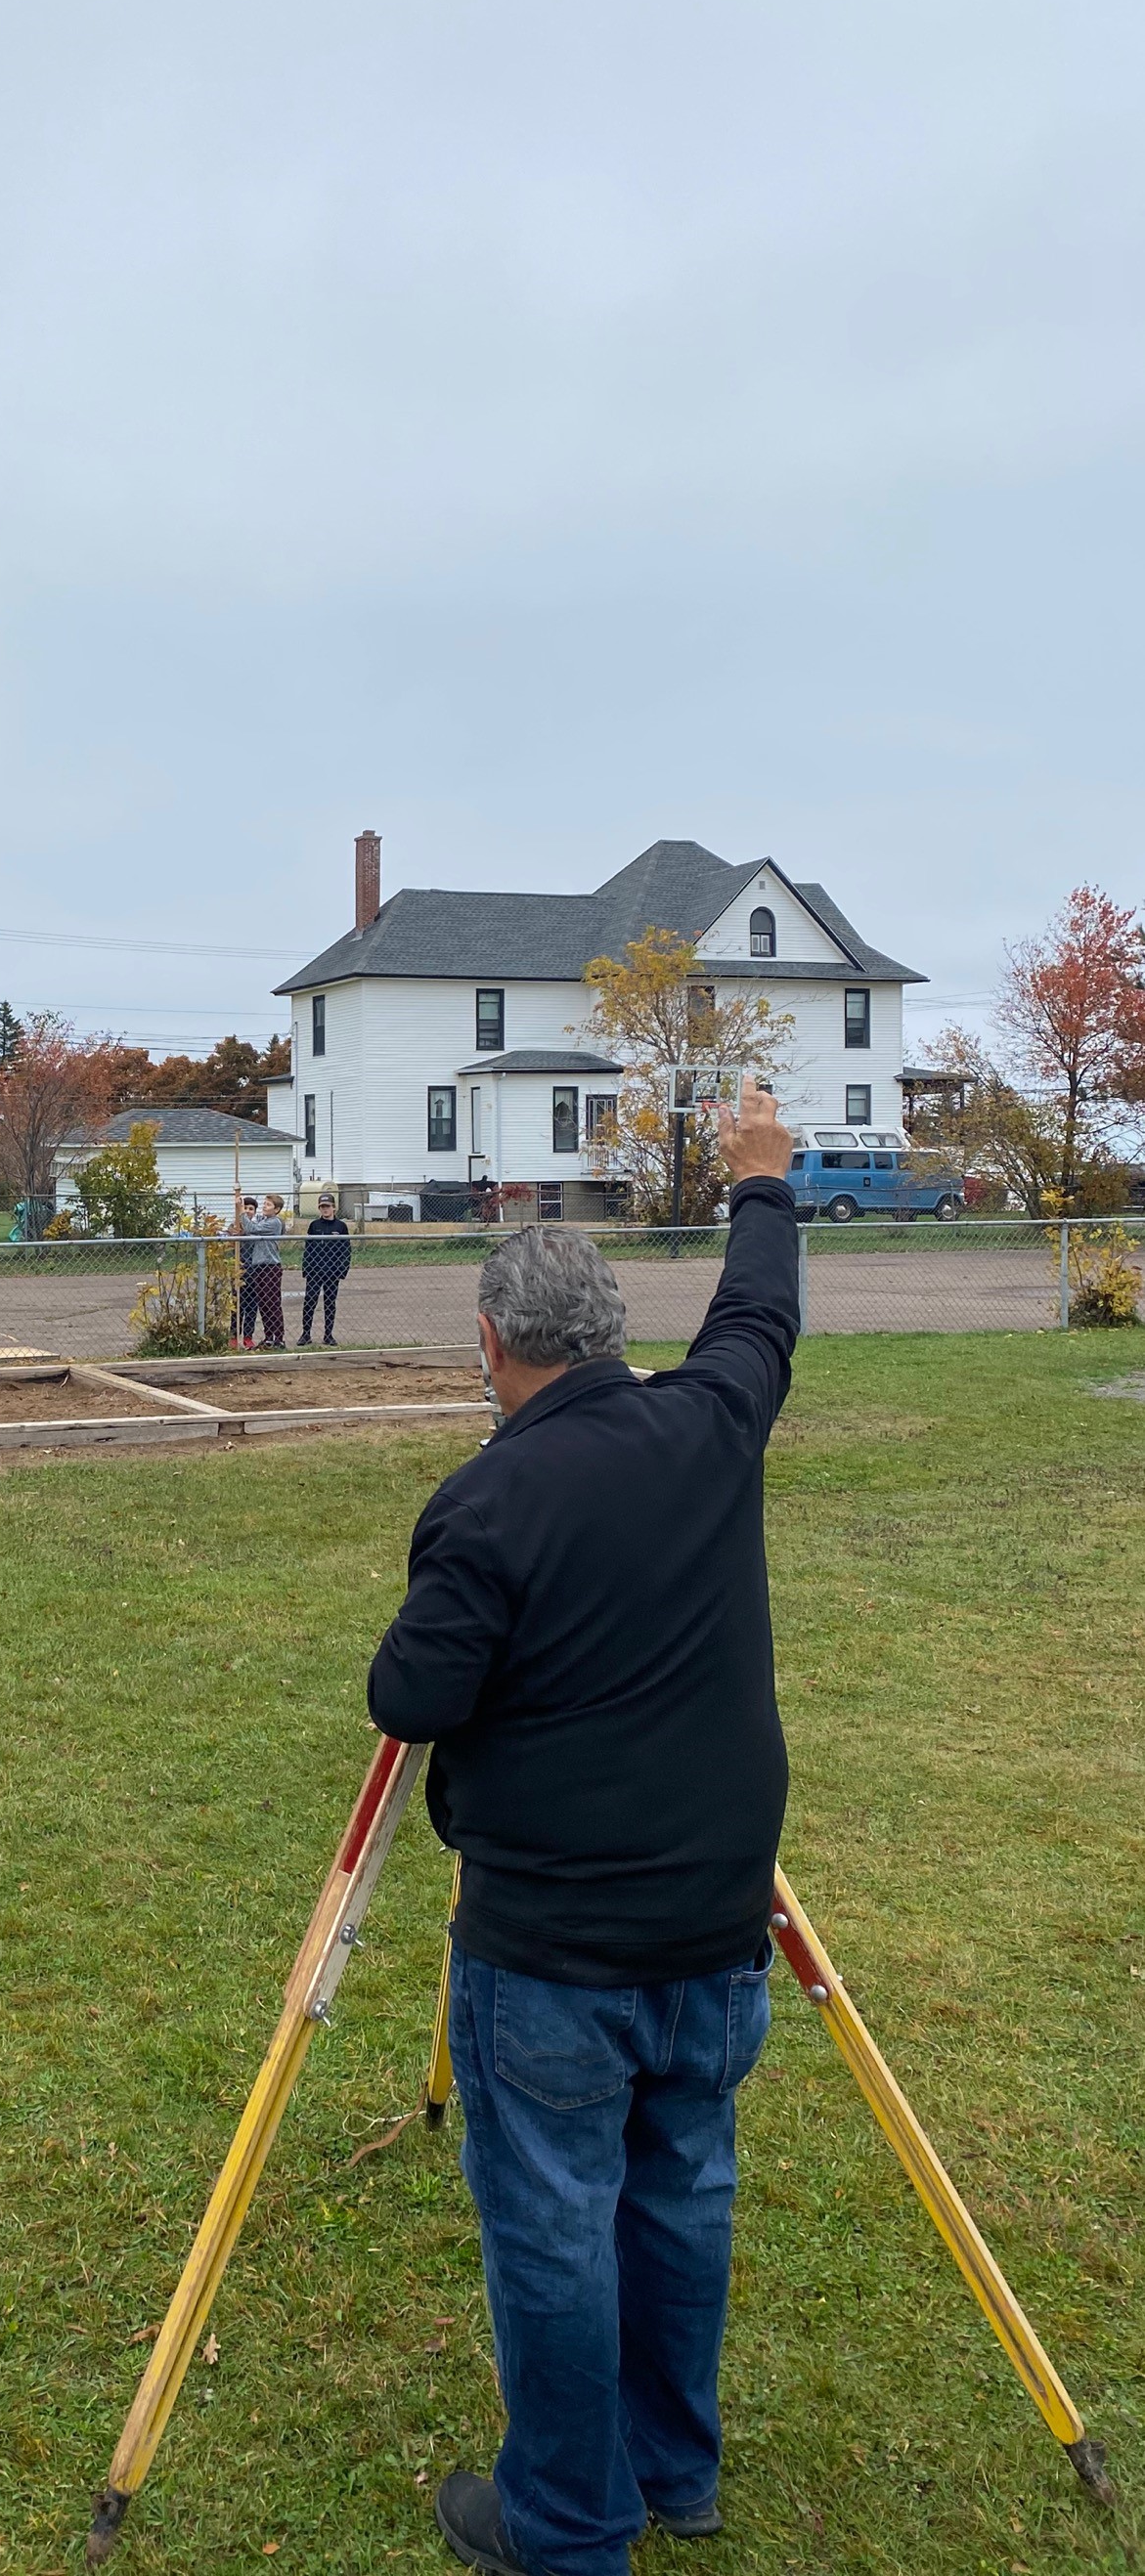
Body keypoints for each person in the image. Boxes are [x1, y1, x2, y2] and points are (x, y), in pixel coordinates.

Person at [367, 1089, 799, 2576]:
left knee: (554, 2226)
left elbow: (411, 1695)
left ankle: (566, 2520)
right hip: (714, 1933)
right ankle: (673, 2467)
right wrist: (761, 1182)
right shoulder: (708, 1425)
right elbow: (757, 1319)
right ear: (611, 1334)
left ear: (491, 1346)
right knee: (682, 2191)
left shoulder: (487, 1500)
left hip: (554, 1956)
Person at [299, 1191, 351, 1345]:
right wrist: (306, 1268)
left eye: (327, 1206)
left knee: (330, 1303)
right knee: (309, 1302)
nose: (325, 1209)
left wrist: (341, 1270)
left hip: (332, 1272)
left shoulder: (341, 1226)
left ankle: (328, 1335)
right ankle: (306, 1334)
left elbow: (346, 1250)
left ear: (334, 1207)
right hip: (315, 1272)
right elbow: (308, 1249)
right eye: (322, 1207)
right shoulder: (314, 1225)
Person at [242, 1192, 287, 1349]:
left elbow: (251, 1228)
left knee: (272, 1302)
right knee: (263, 1304)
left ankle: (278, 1338)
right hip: (258, 1266)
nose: (264, 1206)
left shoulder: (274, 1223)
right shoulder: (264, 1219)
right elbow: (250, 1223)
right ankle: (269, 1337)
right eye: (264, 1203)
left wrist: (241, 1212)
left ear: (276, 1209)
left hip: (270, 1267)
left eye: (268, 1205)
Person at [234, 1198, 262, 1344]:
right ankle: (233, 1336)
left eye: (251, 1209)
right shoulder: (234, 1228)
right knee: (236, 1307)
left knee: (252, 1307)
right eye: (246, 1208)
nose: (248, 1211)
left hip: (254, 1273)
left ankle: (248, 1337)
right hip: (238, 1273)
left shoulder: (256, 1229)